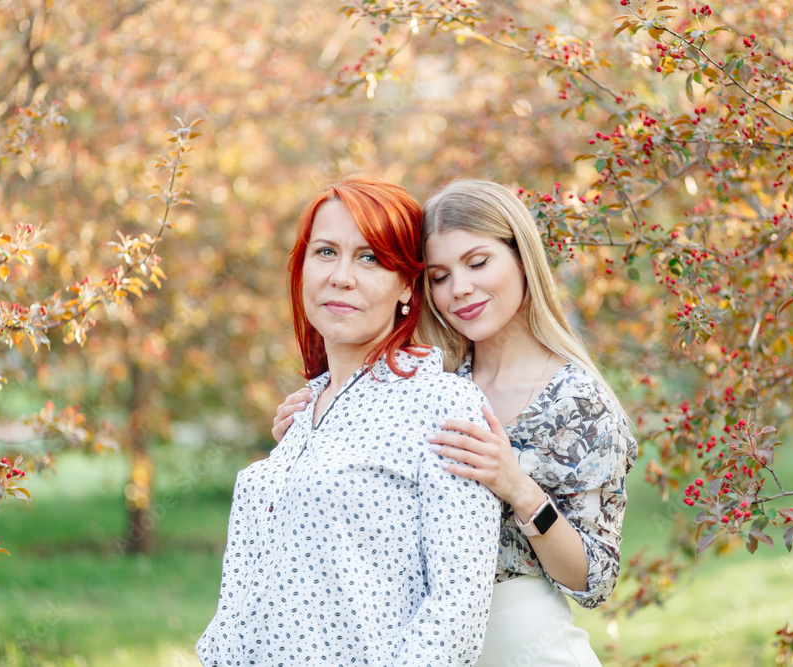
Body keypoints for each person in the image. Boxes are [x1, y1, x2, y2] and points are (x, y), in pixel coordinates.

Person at [273, 179, 637, 666]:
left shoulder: (576, 402)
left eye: (478, 263)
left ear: (522, 257)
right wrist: (312, 437)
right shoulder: (434, 380)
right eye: (439, 276)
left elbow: (593, 580)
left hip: (520, 645)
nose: (459, 289)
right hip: (412, 641)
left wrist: (519, 488)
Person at [197, 176, 501, 666]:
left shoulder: (442, 404)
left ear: (407, 283)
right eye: (325, 252)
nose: (341, 276)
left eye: (369, 258)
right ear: (301, 269)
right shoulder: (303, 412)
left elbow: (456, 609)